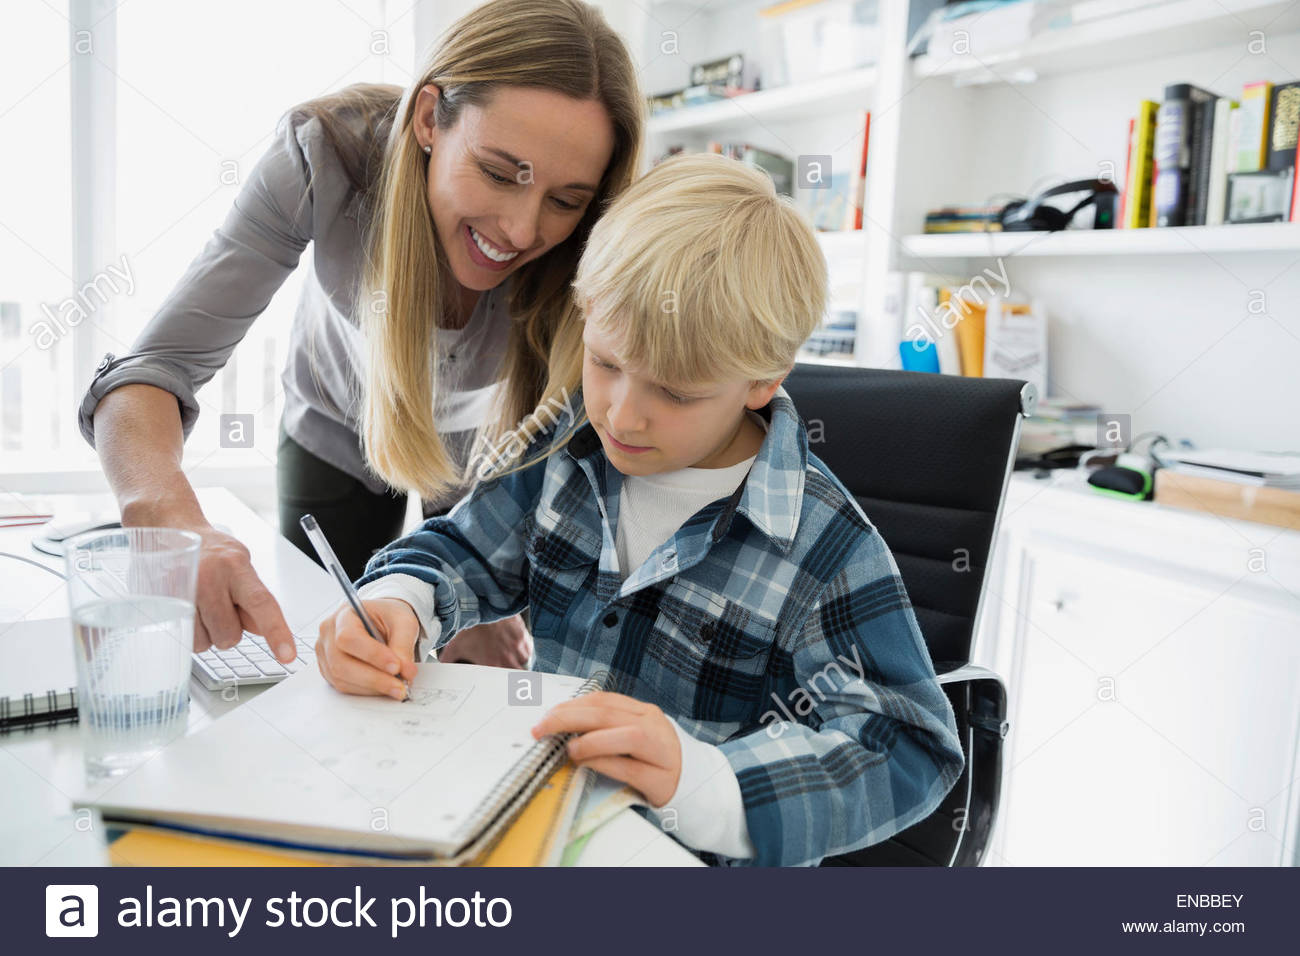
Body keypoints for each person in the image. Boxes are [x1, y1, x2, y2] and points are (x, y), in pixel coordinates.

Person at [315, 153, 965, 866]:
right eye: (606, 363)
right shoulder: (569, 446)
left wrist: (705, 780)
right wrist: (399, 604)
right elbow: (463, 552)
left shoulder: (824, 546)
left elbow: (910, 747)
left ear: (762, 380)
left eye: (676, 393)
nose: (623, 416)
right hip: (541, 832)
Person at [77, 0, 643, 668]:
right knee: (316, 648)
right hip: (334, 425)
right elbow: (151, 371)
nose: (521, 231)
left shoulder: (601, 243)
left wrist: (477, 597)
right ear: (430, 117)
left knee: (468, 665)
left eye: (564, 200)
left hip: (483, 454)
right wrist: (170, 519)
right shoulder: (324, 156)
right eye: (497, 171)